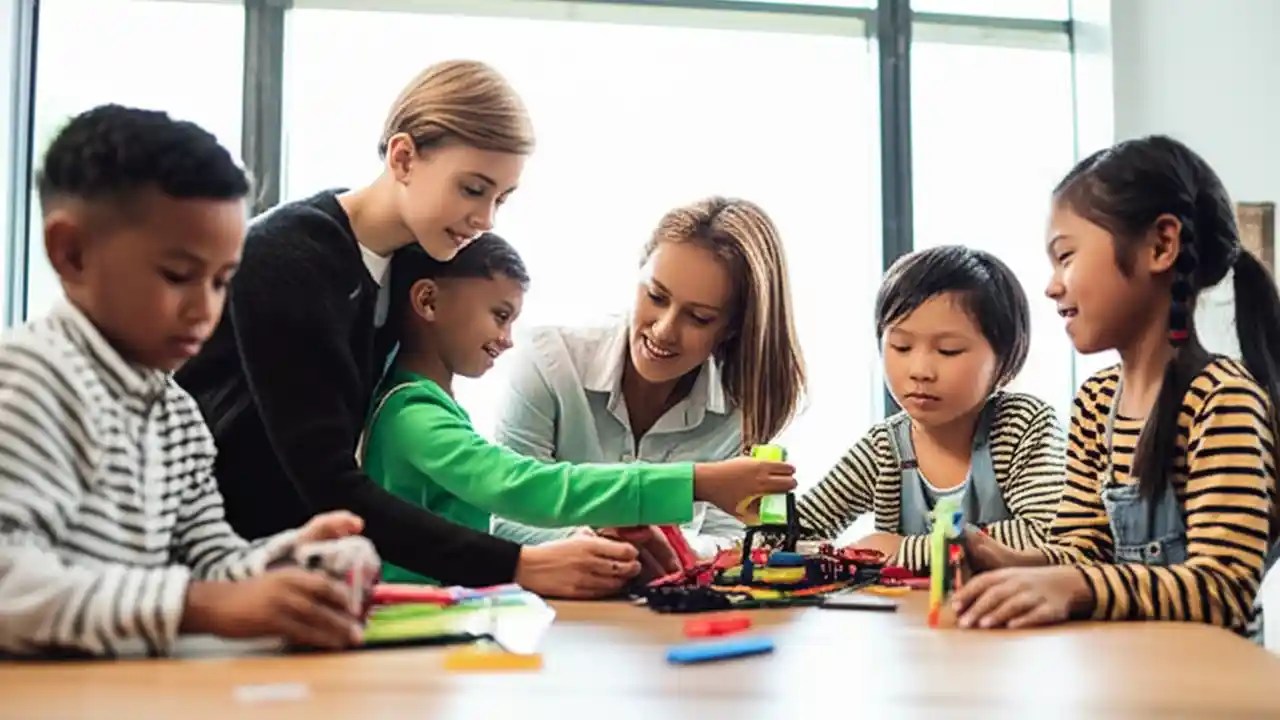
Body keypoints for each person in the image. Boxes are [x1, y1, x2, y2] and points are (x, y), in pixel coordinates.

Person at [176, 60, 643, 597]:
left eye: (501, 198)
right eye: (472, 189)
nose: (486, 218)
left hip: (283, 570)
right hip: (204, 571)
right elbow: (328, 481)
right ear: (403, 157)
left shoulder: (403, 265)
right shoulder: (289, 255)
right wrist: (519, 564)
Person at [0, 105, 369, 656]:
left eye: (222, 282)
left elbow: (209, 558)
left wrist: (288, 562)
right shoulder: (31, 378)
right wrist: (200, 606)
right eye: (177, 276)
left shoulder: (175, 413)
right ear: (71, 253)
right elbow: (9, 580)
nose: (205, 309)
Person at [954, 136, 1280, 639]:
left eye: (1065, 256)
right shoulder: (1096, 402)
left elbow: (1223, 589)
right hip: (1132, 673)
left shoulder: (1223, 400)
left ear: (1160, 246)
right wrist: (1011, 561)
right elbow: (1083, 550)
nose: (1051, 284)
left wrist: (1074, 586)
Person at [359, 235, 796, 583]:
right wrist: (696, 481)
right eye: (499, 314)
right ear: (429, 302)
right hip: (411, 618)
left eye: (699, 316)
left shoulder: (429, 408)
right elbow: (523, 486)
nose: (510, 338)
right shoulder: (413, 415)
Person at [492, 197, 808, 558]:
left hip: (668, 610)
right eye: (656, 296)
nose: (664, 330)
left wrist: (672, 547)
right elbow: (505, 513)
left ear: (732, 328)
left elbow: (733, 540)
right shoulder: (548, 362)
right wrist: (595, 545)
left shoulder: (740, 409)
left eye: (700, 317)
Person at [795, 245, 1065, 569]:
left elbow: (1050, 534)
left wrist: (906, 551)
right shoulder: (885, 448)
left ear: (1004, 361)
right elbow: (795, 531)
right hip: (911, 620)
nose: (920, 369)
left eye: (948, 350)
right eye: (901, 346)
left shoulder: (1022, 426)